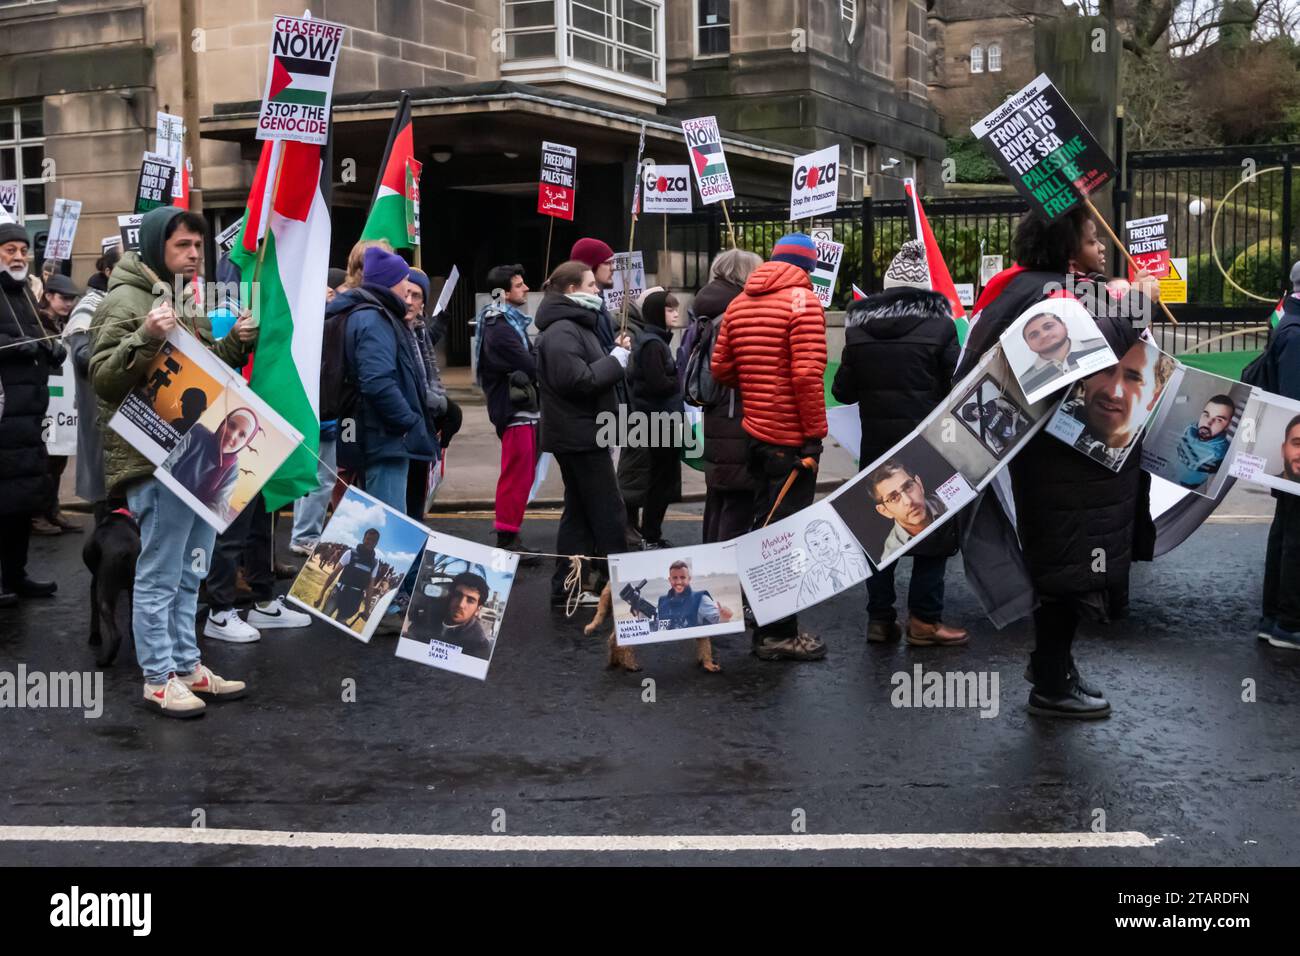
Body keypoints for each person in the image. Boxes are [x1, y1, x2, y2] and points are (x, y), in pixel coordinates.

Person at [954, 207, 1161, 719]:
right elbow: (1081, 351)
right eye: (1093, 241)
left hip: (1064, 460)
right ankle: (1050, 682)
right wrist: (1140, 302)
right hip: (1062, 466)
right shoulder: (1050, 295)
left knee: (1064, 567)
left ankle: (1053, 667)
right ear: (1068, 247)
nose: (1101, 250)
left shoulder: (1017, 288)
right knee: (1065, 570)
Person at [89, 205, 254, 717]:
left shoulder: (181, 295)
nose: (194, 256)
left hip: (197, 456)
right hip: (155, 459)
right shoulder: (127, 297)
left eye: (199, 248)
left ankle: (186, 665)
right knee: (160, 573)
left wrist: (232, 343)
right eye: (183, 246)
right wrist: (145, 336)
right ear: (159, 244)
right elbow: (101, 376)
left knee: (190, 571)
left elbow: (198, 372)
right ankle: (158, 678)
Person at [832, 240, 967, 647]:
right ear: (925, 289)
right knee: (935, 525)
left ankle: (879, 620)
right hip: (928, 446)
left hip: (878, 447)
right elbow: (956, 385)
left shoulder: (858, 329)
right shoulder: (941, 326)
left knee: (877, 529)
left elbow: (843, 392)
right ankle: (925, 621)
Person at [711, 232, 828, 662]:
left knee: (764, 529)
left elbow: (721, 368)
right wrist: (814, 436)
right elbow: (806, 375)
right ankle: (778, 634)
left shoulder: (739, 303)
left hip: (755, 434)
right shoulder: (803, 302)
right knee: (784, 539)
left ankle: (764, 623)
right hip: (791, 440)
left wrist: (759, 383)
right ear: (807, 265)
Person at [535, 259, 629, 607]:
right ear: (572, 290)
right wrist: (614, 361)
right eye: (591, 285)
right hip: (579, 435)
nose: (597, 291)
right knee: (608, 511)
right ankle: (620, 586)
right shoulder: (562, 330)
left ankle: (568, 585)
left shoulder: (575, 324)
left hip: (583, 431)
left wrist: (612, 354)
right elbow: (577, 380)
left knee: (578, 512)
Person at [335, 245, 433, 513]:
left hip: (373, 434)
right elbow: (377, 382)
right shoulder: (375, 319)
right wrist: (409, 421)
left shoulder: (367, 313)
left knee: (372, 524)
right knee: (385, 528)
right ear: (391, 283)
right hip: (384, 440)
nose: (407, 289)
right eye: (404, 282)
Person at [0, 221, 63, 607]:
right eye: (10, 249)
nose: (20, 255)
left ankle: (16, 574)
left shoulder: (24, 291)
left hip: (28, 418)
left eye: (23, 249)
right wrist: (10, 346)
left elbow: (41, 333)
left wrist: (54, 348)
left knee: (20, 502)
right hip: (4, 416)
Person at [693, 249, 763, 544]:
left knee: (719, 502)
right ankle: (727, 583)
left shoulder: (706, 311)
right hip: (738, 418)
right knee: (738, 510)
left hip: (717, 417)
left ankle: (712, 578)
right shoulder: (737, 313)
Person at [474, 263, 540, 552]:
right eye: (519, 284)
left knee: (523, 474)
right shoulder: (498, 325)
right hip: (513, 410)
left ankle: (512, 534)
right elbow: (529, 363)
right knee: (516, 475)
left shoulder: (509, 321)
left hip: (522, 409)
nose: (525, 288)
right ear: (503, 291)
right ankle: (507, 539)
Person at [620, 289, 683, 549]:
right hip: (660, 421)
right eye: (670, 310)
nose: (676, 313)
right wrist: (678, 379)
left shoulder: (652, 340)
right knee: (661, 481)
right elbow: (658, 384)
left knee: (661, 479)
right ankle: (650, 534)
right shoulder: (653, 344)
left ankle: (650, 533)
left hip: (658, 419)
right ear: (658, 313)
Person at [63, 250, 119, 521]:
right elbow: (81, 357)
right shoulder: (90, 305)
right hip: (101, 417)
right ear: (108, 270)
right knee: (109, 509)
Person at [1055, 342, 1176, 467]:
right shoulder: (1046, 419)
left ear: (1154, 398)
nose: (1112, 392)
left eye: (1134, 378)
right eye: (1104, 369)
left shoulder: (1156, 460)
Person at [402, 267, 461, 519]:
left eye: (416, 296)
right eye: (406, 293)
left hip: (420, 428)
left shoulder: (419, 328)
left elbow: (427, 371)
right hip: (402, 432)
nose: (409, 301)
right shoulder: (395, 328)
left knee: (416, 503)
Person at [28, 272, 82, 536]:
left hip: (58, 407)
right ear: (48, 296)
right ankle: (37, 514)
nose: (68, 304)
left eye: (72, 299)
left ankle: (52, 510)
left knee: (58, 458)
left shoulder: (62, 324)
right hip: (43, 406)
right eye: (64, 298)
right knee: (44, 460)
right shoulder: (36, 323)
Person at [1263, 266, 1300, 649]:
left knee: (1286, 529)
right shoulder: (1296, 333)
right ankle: (1288, 623)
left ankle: (1273, 616)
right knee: (1295, 535)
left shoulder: (1287, 322)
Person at [166, 406, 258, 519]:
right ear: (223, 423)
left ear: (245, 443)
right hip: (165, 495)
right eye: (231, 425)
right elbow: (165, 464)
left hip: (190, 517)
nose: (232, 435)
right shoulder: (197, 433)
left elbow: (219, 508)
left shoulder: (232, 468)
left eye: (242, 435)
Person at [867, 460, 949, 562]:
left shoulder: (952, 501)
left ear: (919, 484)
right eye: (893, 498)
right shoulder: (891, 556)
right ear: (884, 511)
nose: (908, 501)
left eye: (908, 486)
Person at [1016, 309, 1111, 396]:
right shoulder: (1024, 383)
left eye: (1048, 326)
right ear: (1029, 345)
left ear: (1064, 326)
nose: (1044, 335)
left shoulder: (1102, 344)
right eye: (1034, 335)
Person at [795, 518, 870, 607]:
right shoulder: (810, 579)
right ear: (810, 551)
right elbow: (803, 606)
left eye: (826, 538)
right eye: (815, 544)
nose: (822, 547)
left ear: (837, 538)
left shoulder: (860, 562)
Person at [317, 527, 383, 625]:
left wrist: (366, 610)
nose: (370, 542)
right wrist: (321, 593)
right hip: (338, 593)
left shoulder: (374, 563)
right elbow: (333, 574)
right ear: (363, 538)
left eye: (373, 540)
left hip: (354, 600)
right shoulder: (350, 553)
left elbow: (370, 588)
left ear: (376, 543)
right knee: (322, 620)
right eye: (368, 539)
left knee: (338, 626)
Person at [1173, 395, 1236, 490]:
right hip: (1173, 472)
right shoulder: (1191, 428)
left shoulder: (1223, 454)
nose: (1208, 423)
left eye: (1219, 420)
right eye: (1206, 415)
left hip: (1189, 485)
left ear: (1228, 425)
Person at [427, 572, 493, 660]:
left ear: (478, 609)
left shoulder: (479, 647)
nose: (461, 604)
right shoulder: (427, 620)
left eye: (470, 600)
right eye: (457, 595)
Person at [653, 560, 732, 630]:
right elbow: (656, 628)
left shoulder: (700, 599)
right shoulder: (662, 602)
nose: (679, 581)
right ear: (670, 580)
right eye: (675, 578)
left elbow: (720, 624)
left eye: (683, 577)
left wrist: (724, 617)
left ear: (689, 579)